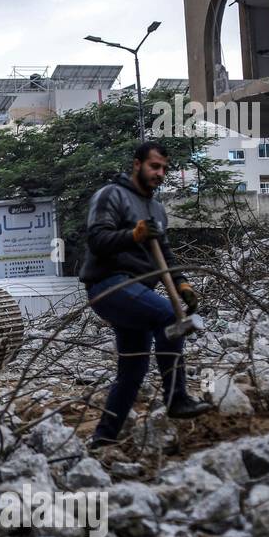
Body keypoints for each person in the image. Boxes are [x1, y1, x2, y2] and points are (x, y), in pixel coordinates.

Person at [79, 140, 213, 450]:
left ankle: (103, 439)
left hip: (138, 291)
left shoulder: (156, 209)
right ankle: (177, 399)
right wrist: (133, 235)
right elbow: (97, 239)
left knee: (132, 371)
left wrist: (181, 284)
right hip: (109, 286)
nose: (160, 173)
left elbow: (163, 252)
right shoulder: (111, 195)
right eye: (154, 166)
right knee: (168, 317)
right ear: (137, 164)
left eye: (165, 168)